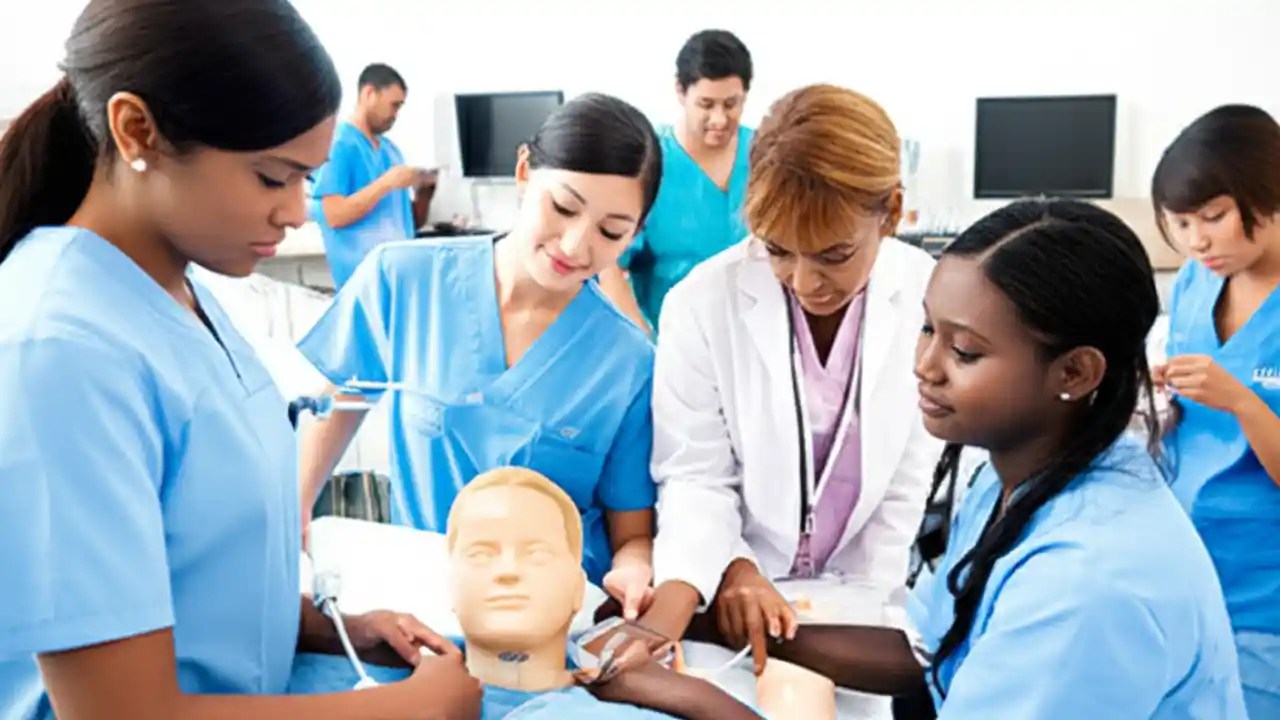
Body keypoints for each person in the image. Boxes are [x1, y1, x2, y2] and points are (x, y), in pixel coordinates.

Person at [0, 2, 483, 719]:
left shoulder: (176, 287)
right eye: (271, 178)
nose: (296, 212)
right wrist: (411, 710)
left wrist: (333, 629)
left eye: (307, 181)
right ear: (137, 131)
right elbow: (120, 711)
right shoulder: (61, 350)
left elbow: (189, 568)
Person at [679, 199, 1248, 719]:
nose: (924, 365)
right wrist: (715, 628)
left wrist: (694, 699)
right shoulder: (1022, 477)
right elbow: (933, 650)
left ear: (1074, 372)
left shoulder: (1086, 582)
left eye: (965, 351)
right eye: (927, 328)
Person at [637, 84, 940, 719]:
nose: (805, 282)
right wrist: (730, 570)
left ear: (890, 213)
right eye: (777, 249)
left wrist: (868, 604)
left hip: (863, 600)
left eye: (834, 255)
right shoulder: (701, 303)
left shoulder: (931, 298)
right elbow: (695, 475)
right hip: (734, 594)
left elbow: (906, 486)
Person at [296, 93, 662, 618]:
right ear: (524, 172)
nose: (575, 246)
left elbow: (632, 534)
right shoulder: (403, 280)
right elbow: (343, 398)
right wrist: (294, 511)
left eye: (611, 231)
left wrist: (633, 569)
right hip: (428, 610)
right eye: (563, 208)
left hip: (555, 622)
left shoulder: (628, 361)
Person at [289, 467, 761, 720]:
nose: (508, 571)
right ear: (451, 583)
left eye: (536, 553)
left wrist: (696, 699)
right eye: (481, 553)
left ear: (578, 589)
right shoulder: (337, 677)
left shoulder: (640, 708)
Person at [1151, 104, 1280, 718]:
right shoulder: (1194, 283)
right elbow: (1188, 425)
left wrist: (1242, 402)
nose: (1196, 240)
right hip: (1181, 566)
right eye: (1180, 222)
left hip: (1263, 594)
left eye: (1213, 216)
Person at [600, 29, 754, 333]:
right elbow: (609, 264)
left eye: (731, 104)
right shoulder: (648, 163)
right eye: (706, 104)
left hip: (753, 340)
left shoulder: (765, 154)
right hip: (672, 340)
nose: (719, 119)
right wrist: (642, 341)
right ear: (681, 91)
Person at [310, 63, 436, 289]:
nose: (395, 115)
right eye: (393, 105)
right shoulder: (339, 145)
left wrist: (424, 195)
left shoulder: (391, 151)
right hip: (363, 288)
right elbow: (334, 216)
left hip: (398, 283)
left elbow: (407, 223)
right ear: (369, 94)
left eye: (400, 107)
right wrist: (386, 183)